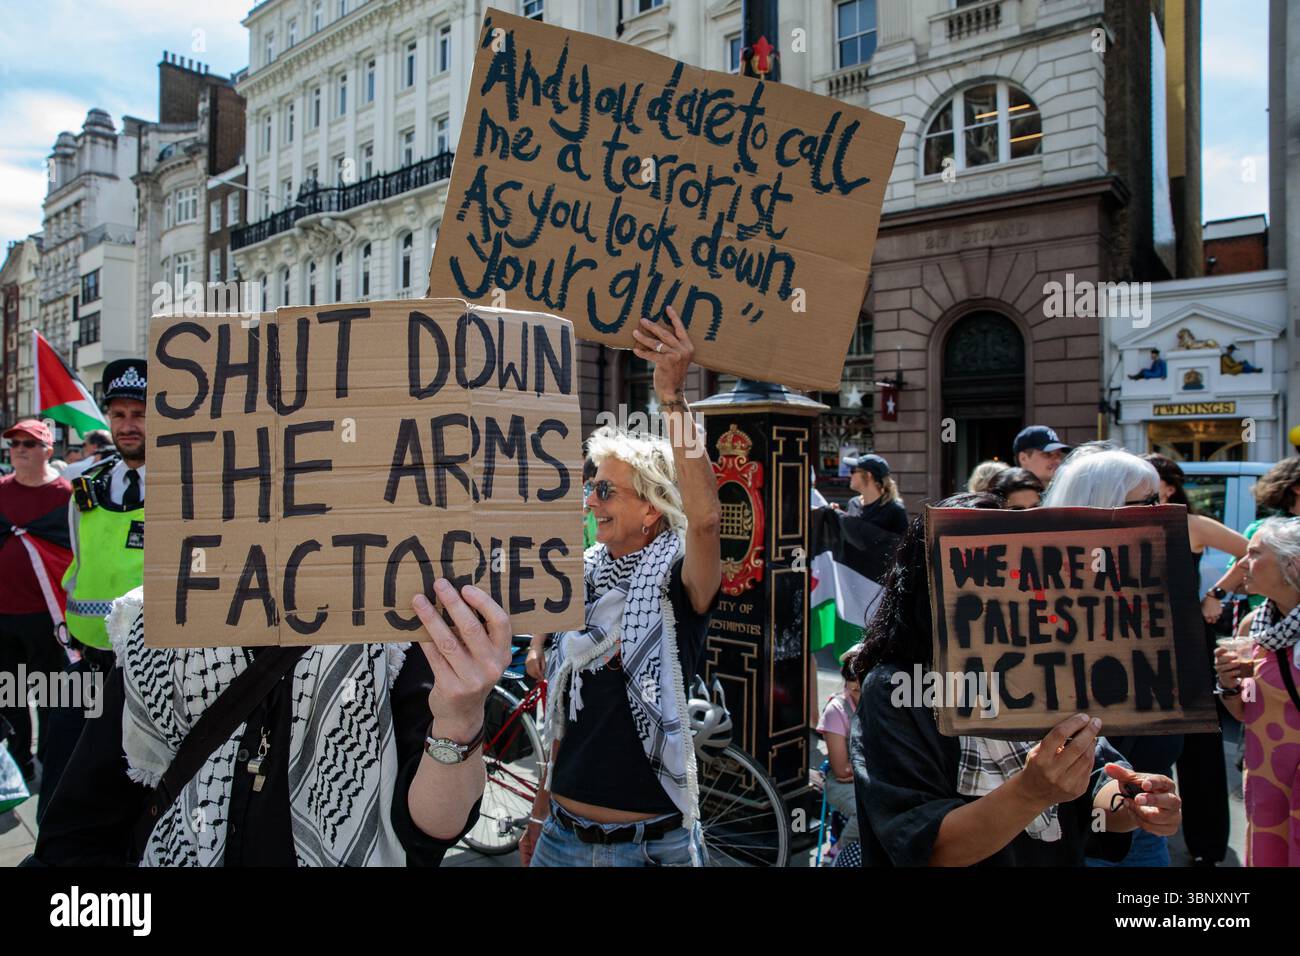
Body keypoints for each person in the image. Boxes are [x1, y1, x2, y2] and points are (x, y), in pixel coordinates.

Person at [29, 578, 509, 866]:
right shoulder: (162, 618)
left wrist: (460, 719)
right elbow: (87, 816)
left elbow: (428, 834)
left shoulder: (405, 632)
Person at [849, 491, 1182, 866]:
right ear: (931, 586)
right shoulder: (897, 690)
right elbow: (928, 847)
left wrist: (1135, 805)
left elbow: (1096, 798)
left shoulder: (1050, 667)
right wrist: (1031, 792)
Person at [520, 307, 722, 868]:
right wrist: (538, 816)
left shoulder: (677, 581)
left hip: (652, 850)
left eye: (606, 491)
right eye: (591, 488)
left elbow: (705, 521)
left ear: (652, 510)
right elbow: (562, 720)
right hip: (560, 841)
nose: (590, 502)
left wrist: (673, 399)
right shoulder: (578, 576)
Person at [1040, 449, 1185, 867]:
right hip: (1084, 798)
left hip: (1145, 800)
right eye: (1147, 503)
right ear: (1104, 506)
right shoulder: (1048, 593)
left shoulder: (1152, 576)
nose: (1161, 512)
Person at [40, 359, 149, 815]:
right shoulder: (86, 486)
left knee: (137, 787)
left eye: (139, 414)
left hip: (151, 669)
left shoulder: (185, 485)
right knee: (63, 775)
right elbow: (78, 569)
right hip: (88, 661)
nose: (127, 425)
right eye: (119, 414)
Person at [1140, 453, 1247, 867]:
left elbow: (1251, 550)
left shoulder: (1191, 524)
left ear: (1168, 487)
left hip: (1187, 641)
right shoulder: (1125, 522)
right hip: (1142, 642)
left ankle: (1206, 845)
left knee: (1201, 743)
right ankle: (1141, 825)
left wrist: (1215, 595)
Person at [1214, 517, 1300, 866]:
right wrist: (1230, 684)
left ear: (1290, 563)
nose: (1241, 565)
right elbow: (1245, 712)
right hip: (1267, 779)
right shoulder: (1255, 626)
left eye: (1253, 554)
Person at [0, 420, 72, 786]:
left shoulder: (66, 495)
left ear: (48, 449)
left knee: (53, 697)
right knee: (9, 695)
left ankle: (52, 764)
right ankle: (18, 767)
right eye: (14, 443)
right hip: (4, 619)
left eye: (29, 442)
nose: (20, 448)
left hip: (49, 619)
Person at [817, 645, 861, 863]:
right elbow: (842, 770)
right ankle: (838, 851)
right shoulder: (837, 710)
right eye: (855, 690)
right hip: (842, 784)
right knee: (866, 811)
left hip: (868, 776)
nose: (861, 696)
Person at [838, 453, 908, 535]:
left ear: (868, 475)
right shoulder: (853, 503)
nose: (850, 475)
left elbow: (904, 544)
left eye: (853, 471)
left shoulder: (894, 510)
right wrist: (838, 513)